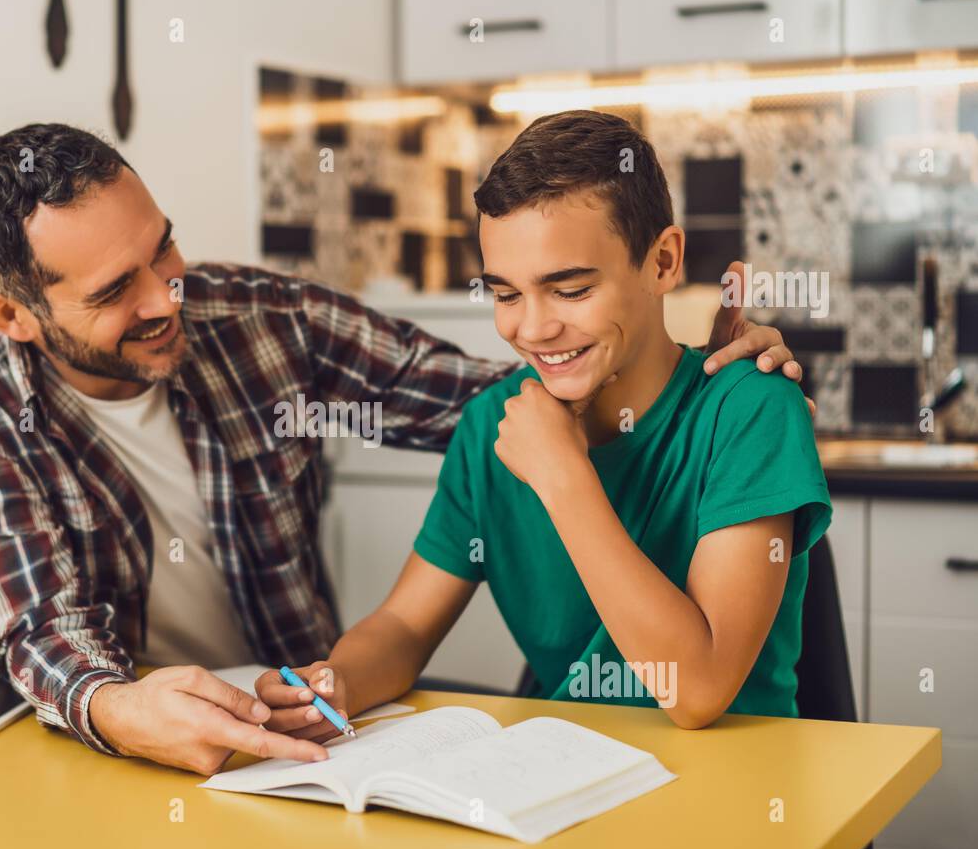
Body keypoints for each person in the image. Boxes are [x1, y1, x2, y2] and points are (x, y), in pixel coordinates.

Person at [0, 121, 807, 774]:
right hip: (144, 736)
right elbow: (36, 626)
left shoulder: (266, 318)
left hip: (309, 724)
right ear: (12, 315)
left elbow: (525, 389)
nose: (166, 298)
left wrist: (705, 357)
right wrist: (124, 706)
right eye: (112, 293)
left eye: (163, 251)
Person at [258, 110, 830, 740]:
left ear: (663, 261)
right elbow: (405, 626)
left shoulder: (751, 409)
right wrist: (333, 685)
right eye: (506, 295)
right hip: (563, 779)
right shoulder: (490, 427)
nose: (531, 329)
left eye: (572, 290)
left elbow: (696, 691)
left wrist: (562, 473)